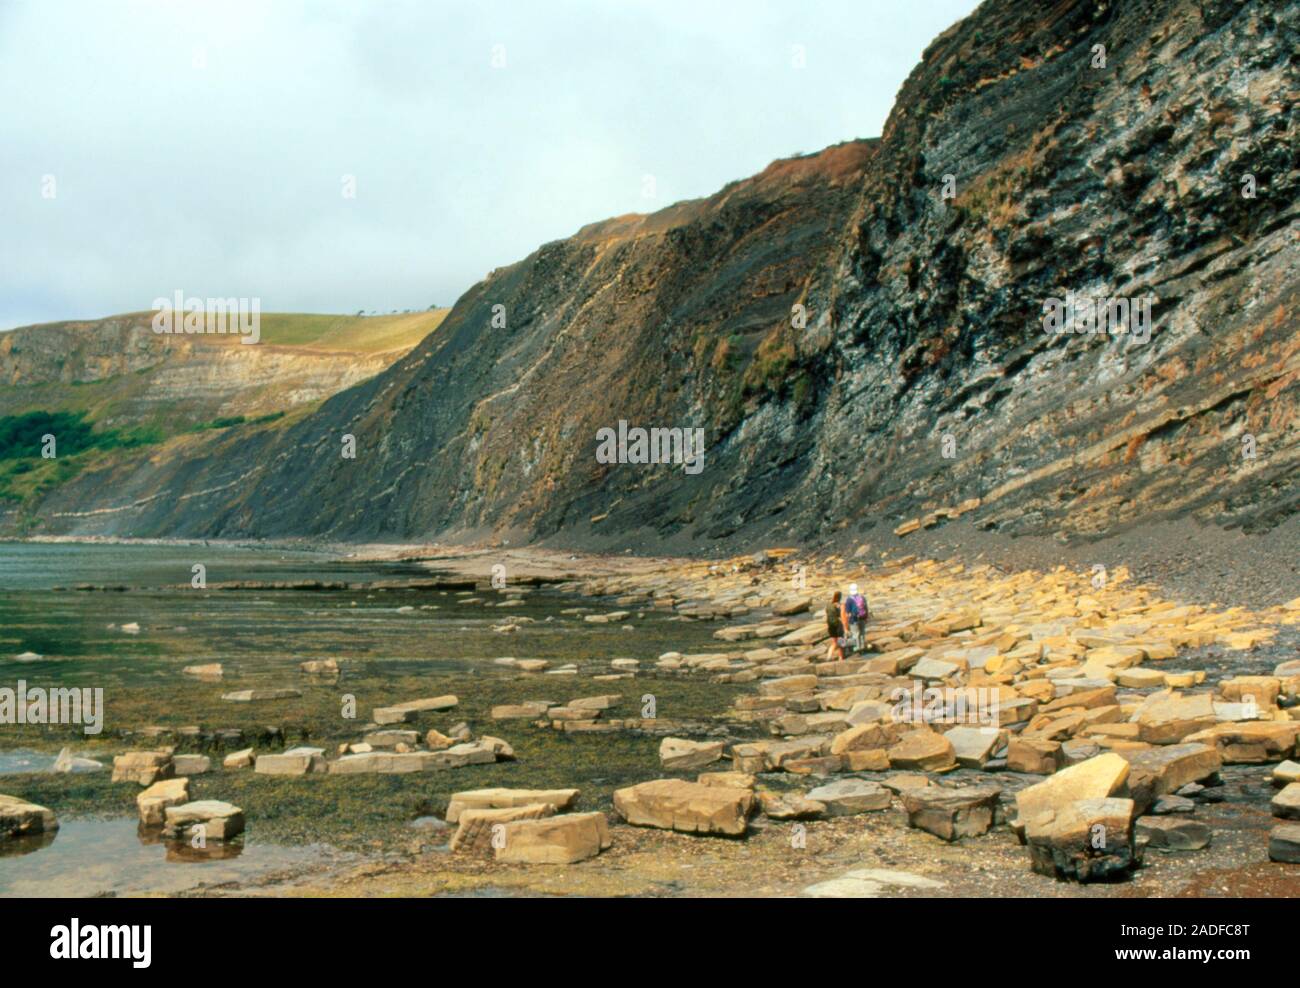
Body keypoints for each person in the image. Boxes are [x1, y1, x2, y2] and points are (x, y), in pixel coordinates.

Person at [844, 582, 869, 652]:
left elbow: (847, 612)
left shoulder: (849, 599)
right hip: (863, 617)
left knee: (856, 634)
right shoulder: (862, 597)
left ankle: (858, 647)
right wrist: (866, 617)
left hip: (854, 619)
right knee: (862, 632)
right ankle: (863, 645)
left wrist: (846, 622)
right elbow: (866, 608)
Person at [826, 591, 847, 660]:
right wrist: (845, 628)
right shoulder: (841, 605)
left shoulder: (829, 605)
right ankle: (841, 657)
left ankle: (829, 656)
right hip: (838, 625)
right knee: (841, 642)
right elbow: (843, 616)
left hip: (831, 625)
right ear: (840, 597)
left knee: (834, 642)